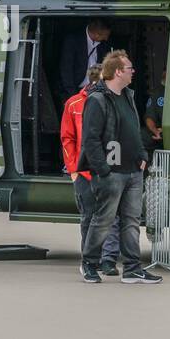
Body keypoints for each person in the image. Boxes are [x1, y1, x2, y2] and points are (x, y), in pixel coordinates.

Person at [76, 50, 161, 284]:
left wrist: (142, 155)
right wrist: (102, 169)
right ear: (117, 72)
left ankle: (132, 268)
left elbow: (133, 128)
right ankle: (89, 264)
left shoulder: (128, 96)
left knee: (132, 220)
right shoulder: (97, 99)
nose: (133, 72)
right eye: (130, 68)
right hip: (111, 172)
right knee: (103, 219)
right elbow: (90, 139)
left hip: (133, 170)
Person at [60, 64, 121, 276]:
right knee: (88, 217)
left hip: (109, 169)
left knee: (112, 216)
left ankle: (109, 259)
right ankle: (89, 261)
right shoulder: (73, 104)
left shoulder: (115, 101)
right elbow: (67, 138)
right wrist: (73, 170)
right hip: (84, 172)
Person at [58, 18, 113, 106]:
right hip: (73, 91)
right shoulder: (73, 40)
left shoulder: (104, 44)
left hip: (94, 92)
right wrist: (74, 97)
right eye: (104, 35)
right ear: (96, 34)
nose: (106, 39)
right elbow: (66, 70)